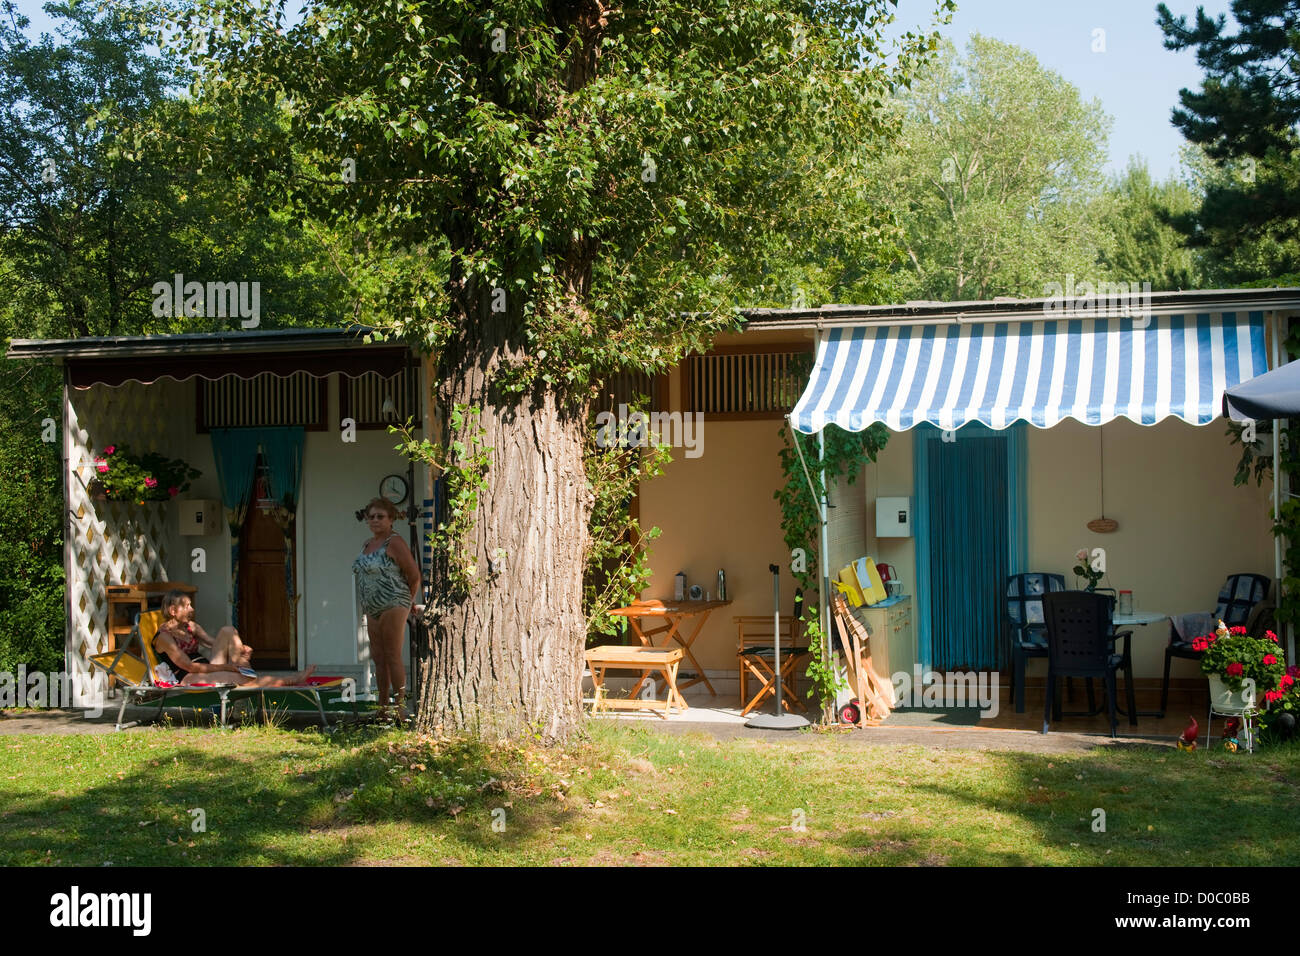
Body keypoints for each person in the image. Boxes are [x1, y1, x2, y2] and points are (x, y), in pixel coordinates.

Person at [153, 589, 316, 687]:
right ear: (173, 610)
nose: (192, 609)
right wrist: (227, 667)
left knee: (228, 630)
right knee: (238, 678)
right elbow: (189, 667)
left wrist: (240, 649)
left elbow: (214, 643)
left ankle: (244, 666)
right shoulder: (164, 638)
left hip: (207, 667)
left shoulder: (191, 627)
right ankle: (290, 680)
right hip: (189, 677)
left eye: (191, 605)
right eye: (187, 606)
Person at [353, 497, 421, 721]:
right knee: (378, 657)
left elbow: (413, 575)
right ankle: (383, 708)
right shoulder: (366, 544)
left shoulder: (394, 542)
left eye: (380, 516)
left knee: (393, 655)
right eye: (371, 516)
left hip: (394, 602)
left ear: (391, 519)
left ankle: (400, 708)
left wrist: (407, 601)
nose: (374, 520)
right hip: (372, 607)